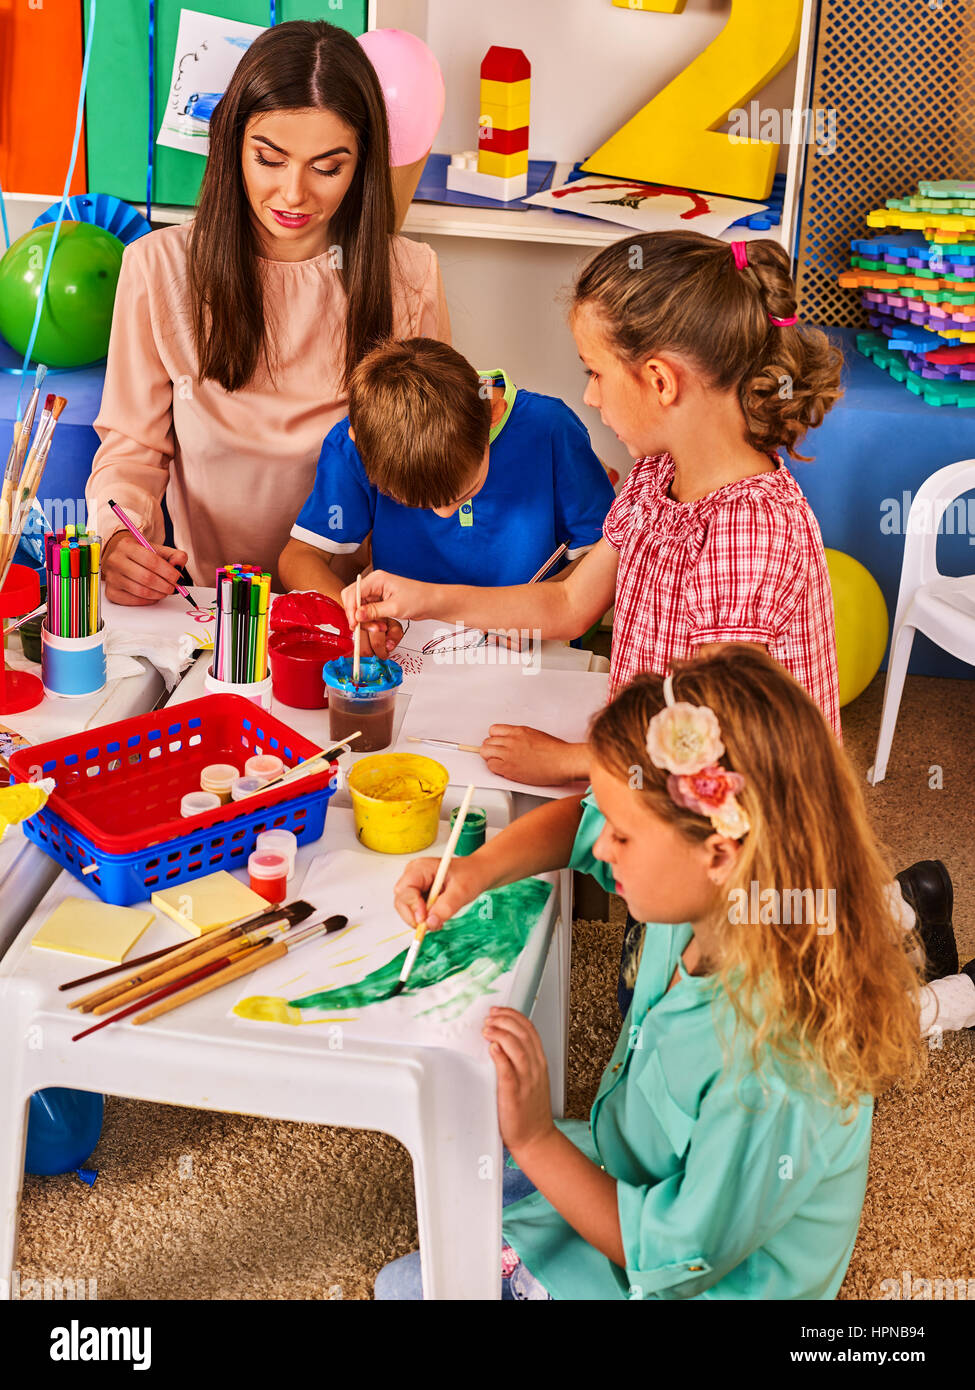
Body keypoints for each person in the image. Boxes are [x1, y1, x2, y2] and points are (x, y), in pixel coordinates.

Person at [343, 231, 974, 1033]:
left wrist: (574, 758)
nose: (592, 396)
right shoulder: (654, 474)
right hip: (665, 799)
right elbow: (570, 604)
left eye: (595, 374)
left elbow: (708, 749)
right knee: (664, 991)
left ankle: (953, 998)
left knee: (811, 1028)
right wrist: (426, 597)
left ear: (659, 380)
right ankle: (907, 899)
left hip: (752, 828)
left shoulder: (748, 534)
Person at [374, 647, 923, 1299]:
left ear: (719, 851)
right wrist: (474, 870)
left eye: (623, 837)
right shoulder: (702, 890)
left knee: (408, 1286)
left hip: (683, 1278)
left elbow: (672, 1257)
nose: (603, 846)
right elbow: (582, 824)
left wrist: (536, 1138)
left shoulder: (776, 1061)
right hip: (628, 1159)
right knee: (458, 1145)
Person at [85, 19, 449, 604]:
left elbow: (428, 464)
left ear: (363, 164)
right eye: (269, 159)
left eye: (328, 167)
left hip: (359, 614)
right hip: (208, 608)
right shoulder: (156, 268)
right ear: (233, 146)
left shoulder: (409, 274)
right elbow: (131, 450)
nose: (293, 194)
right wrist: (117, 540)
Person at [278, 337, 615, 655]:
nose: (442, 514)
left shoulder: (550, 429)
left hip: (529, 659)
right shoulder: (353, 445)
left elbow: (606, 558)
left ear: (491, 417)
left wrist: (531, 612)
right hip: (415, 652)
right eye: (411, 503)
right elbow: (300, 557)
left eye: (462, 493)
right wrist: (350, 614)